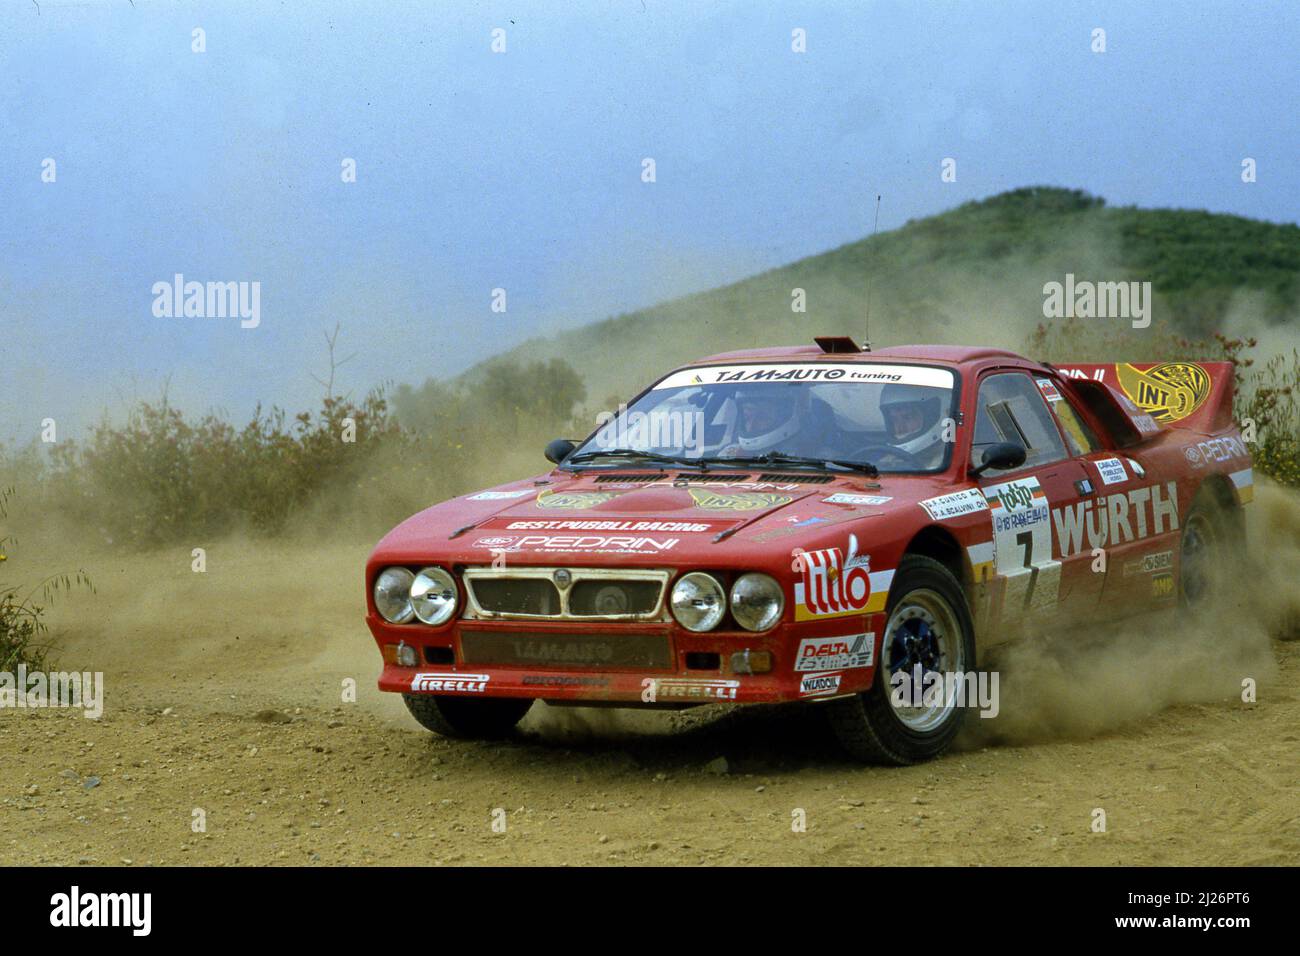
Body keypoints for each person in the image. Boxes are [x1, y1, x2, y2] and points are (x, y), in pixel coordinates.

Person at [879, 383, 946, 467]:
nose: (899, 429)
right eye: (894, 420)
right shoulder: (887, 462)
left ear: (933, 417)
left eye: (907, 417)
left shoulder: (944, 464)